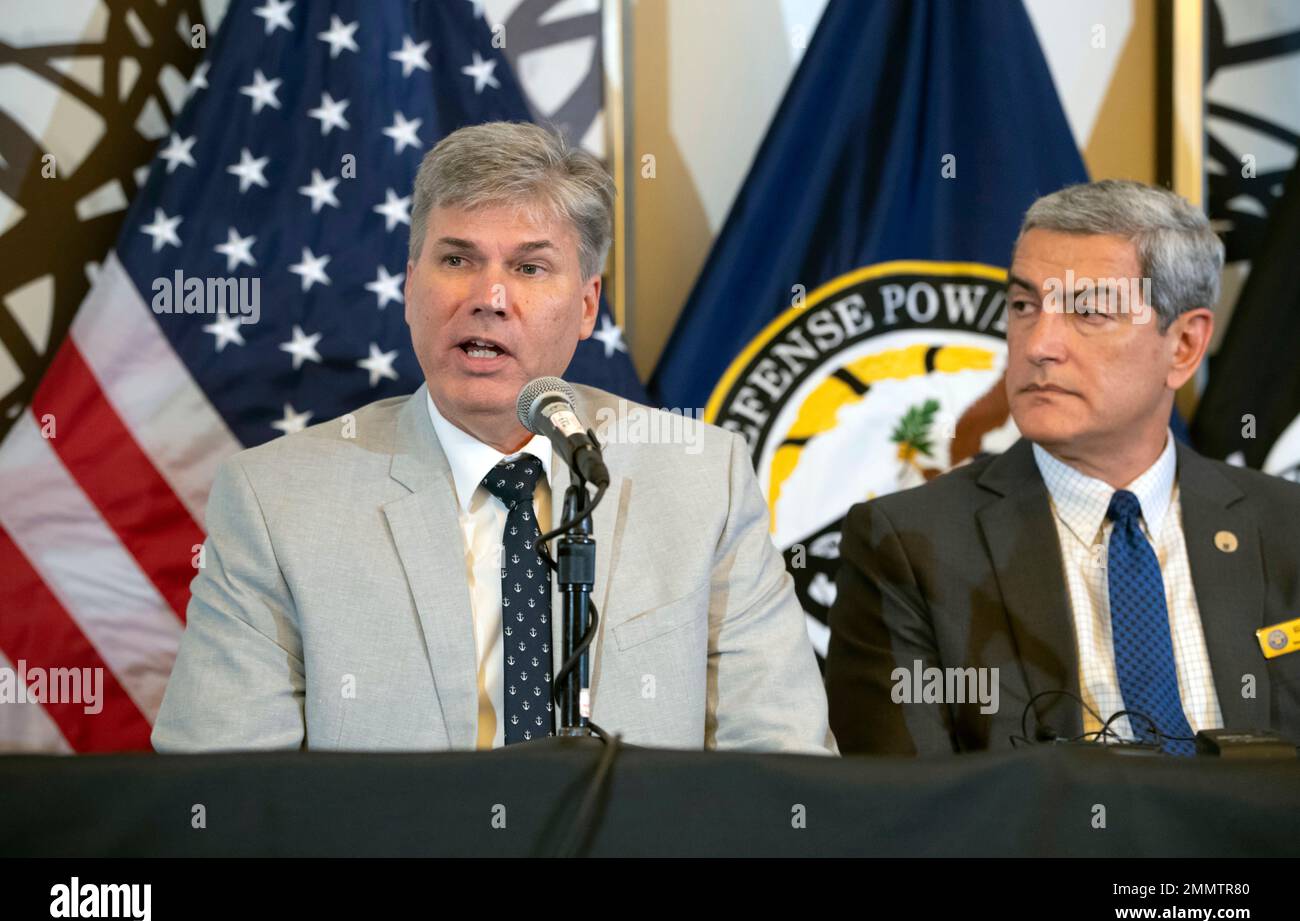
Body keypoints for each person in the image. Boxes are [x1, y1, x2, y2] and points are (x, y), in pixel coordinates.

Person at [153, 121, 833, 754]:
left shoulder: (700, 480)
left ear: (588, 305)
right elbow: (219, 792)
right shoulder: (277, 502)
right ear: (411, 288)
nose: (489, 296)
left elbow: (783, 764)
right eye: (456, 259)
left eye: (531, 268)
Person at [826, 179, 1300, 756]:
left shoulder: (1286, 529)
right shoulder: (910, 548)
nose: (1038, 344)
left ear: (1183, 345)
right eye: (1025, 305)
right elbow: (907, 813)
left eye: (1089, 311)